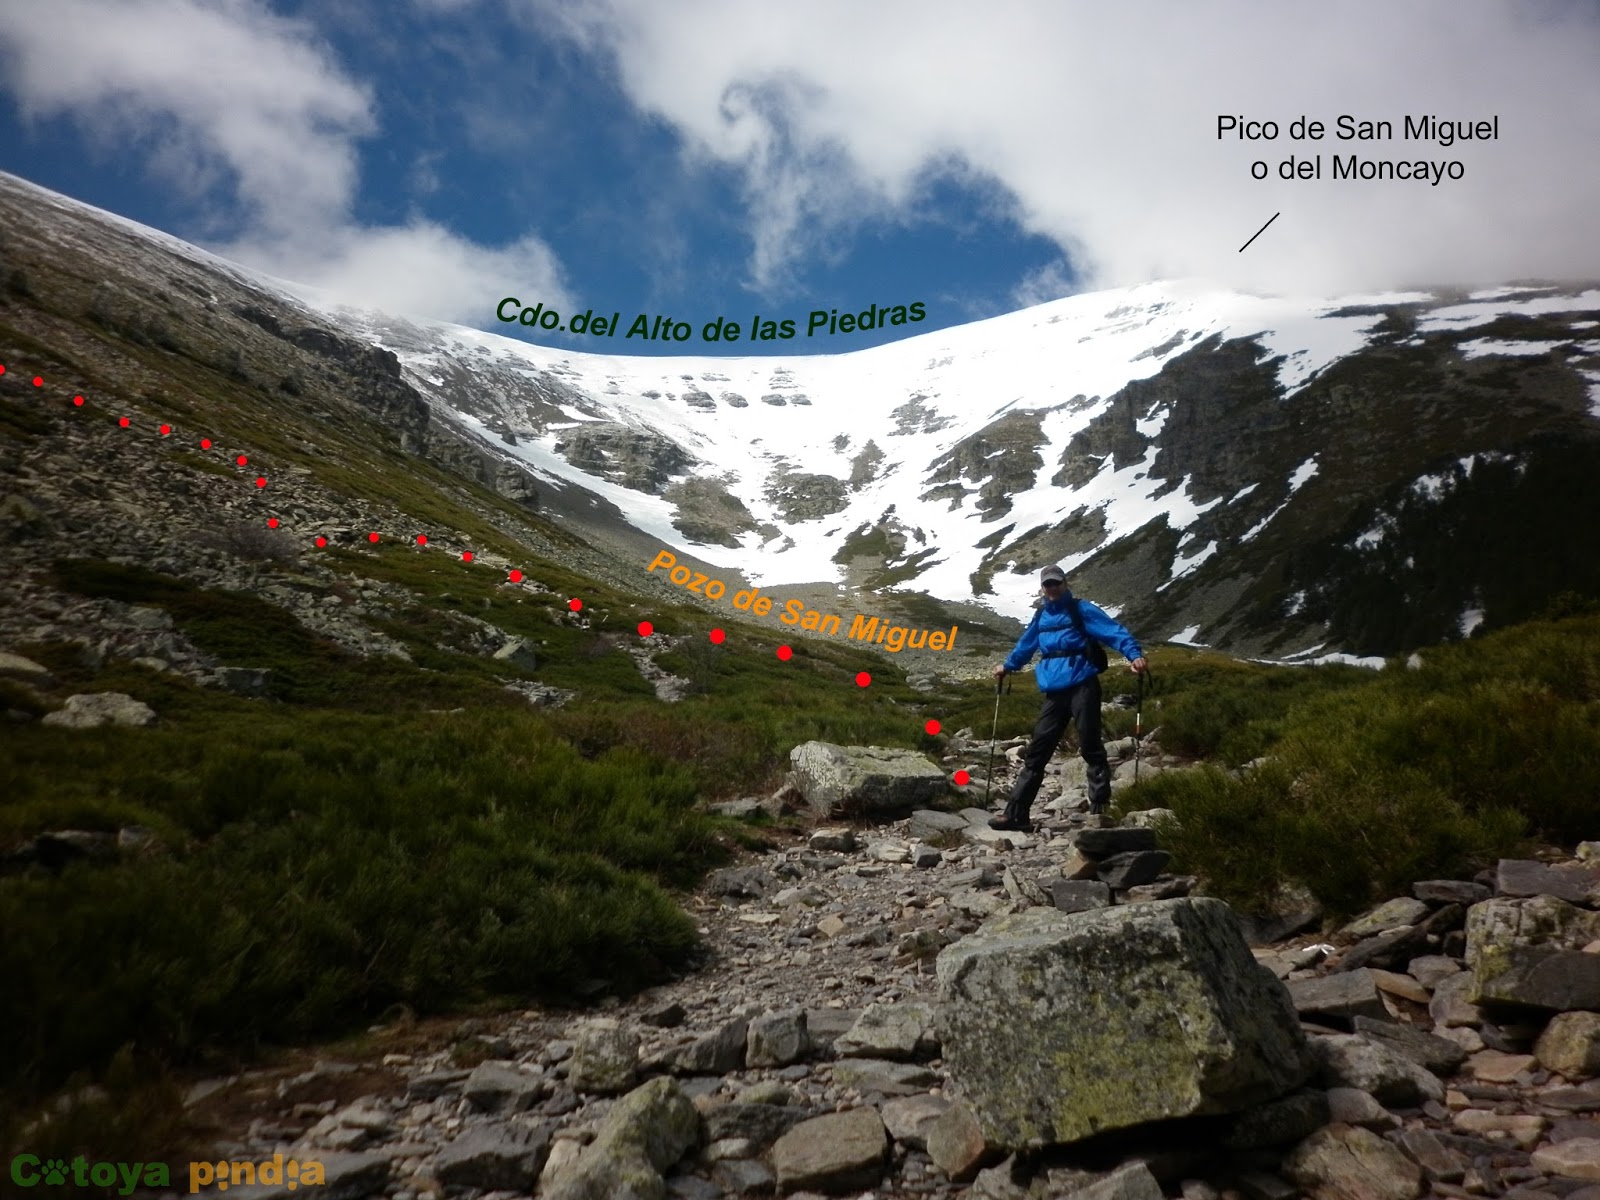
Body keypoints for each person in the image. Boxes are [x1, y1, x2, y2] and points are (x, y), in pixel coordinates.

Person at [990, 564, 1148, 831]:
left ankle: (1099, 810)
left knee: (1089, 743)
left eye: (1056, 583)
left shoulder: (1080, 608)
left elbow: (1113, 631)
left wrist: (1134, 654)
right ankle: (1016, 814)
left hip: (1082, 683)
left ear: (1064, 583)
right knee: (1038, 750)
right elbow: (1026, 645)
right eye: (1048, 584)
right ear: (1042, 588)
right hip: (1055, 690)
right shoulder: (1041, 615)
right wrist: (1008, 665)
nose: (1052, 589)